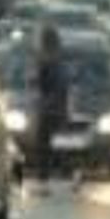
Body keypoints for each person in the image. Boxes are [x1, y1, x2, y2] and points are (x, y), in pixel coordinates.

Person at [31, 25, 69, 190]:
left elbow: (41, 84)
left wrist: (33, 81)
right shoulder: (59, 59)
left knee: (43, 144)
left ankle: (43, 181)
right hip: (59, 106)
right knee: (59, 143)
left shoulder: (44, 60)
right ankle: (68, 174)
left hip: (47, 107)